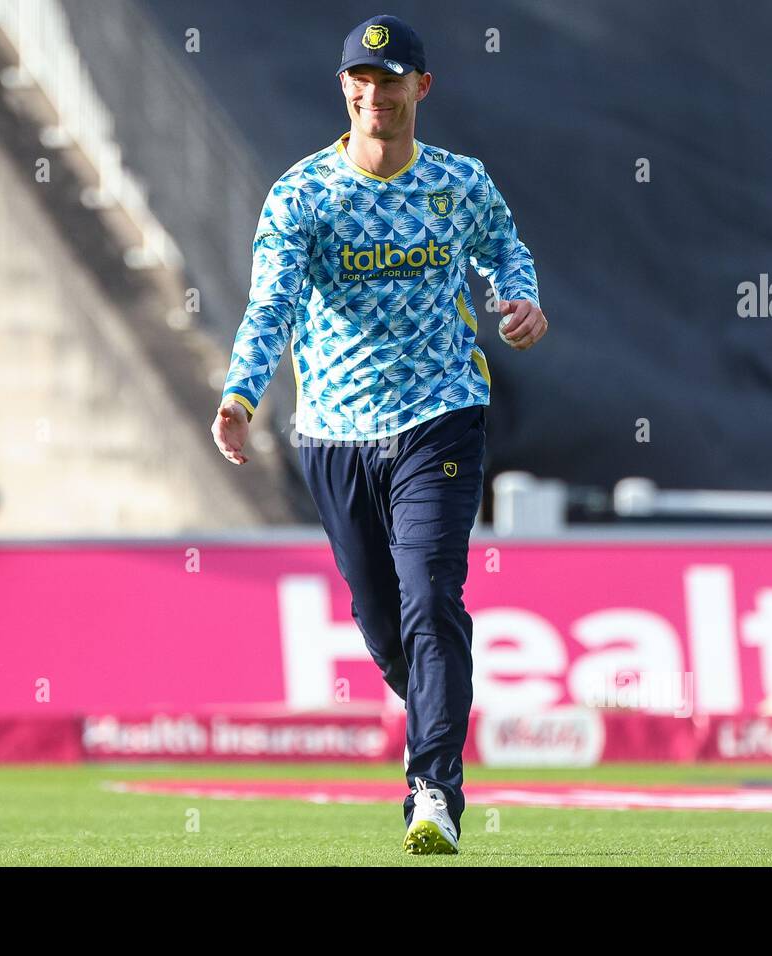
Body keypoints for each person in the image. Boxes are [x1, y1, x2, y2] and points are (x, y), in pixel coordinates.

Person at [210, 14, 546, 854]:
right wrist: (240, 397)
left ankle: (432, 792)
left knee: (432, 595)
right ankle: (437, 699)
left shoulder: (459, 183)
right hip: (332, 434)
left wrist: (521, 301)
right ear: (344, 88)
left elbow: (508, 251)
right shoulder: (303, 193)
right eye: (362, 81)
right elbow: (273, 304)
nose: (376, 95)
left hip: (442, 418)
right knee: (385, 625)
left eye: (392, 81)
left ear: (420, 89)